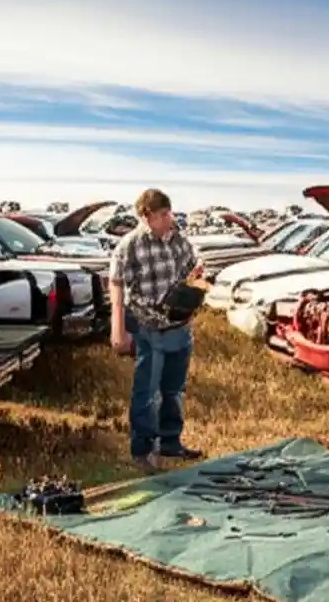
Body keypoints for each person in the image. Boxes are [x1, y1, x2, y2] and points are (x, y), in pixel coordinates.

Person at [108, 188, 205, 473]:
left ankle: (170, 442)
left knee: (174, 390)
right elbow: (116, 283)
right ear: (146, 216)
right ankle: (143, 450)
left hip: (179, 326)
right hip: (148, 327)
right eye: (163, 215)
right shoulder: (130, 245)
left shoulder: (179, 241)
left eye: (169, 212)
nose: (169, 219)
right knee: (147, 392)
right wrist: (118, 328)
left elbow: (192, 267)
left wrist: (198, 277)